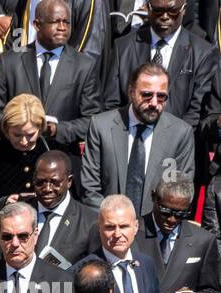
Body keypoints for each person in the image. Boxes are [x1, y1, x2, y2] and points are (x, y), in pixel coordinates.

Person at [0, 0, 100, 187]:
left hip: (59, 170)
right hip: (13, 167)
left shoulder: (84, 66)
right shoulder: (10, 61)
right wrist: (18, 126)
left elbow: (92, 120)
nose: (62, 27)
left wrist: (57, 129)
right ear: (37, 24)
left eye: (66, 22)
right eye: (56, 22)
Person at [81, 63, 193, 217]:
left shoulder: (181, 134)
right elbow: (90, 188)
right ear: (131, 92)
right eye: (147, 95)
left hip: (156, 230)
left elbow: (181, 191)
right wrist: (116, 221)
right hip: (111, 228)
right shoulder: (101, 126)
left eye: (161, 96)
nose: (154, 103)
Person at [102, 0, 216, 129]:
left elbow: (196, 113)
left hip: (178, 143)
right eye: (157, 10)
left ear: (184, 9)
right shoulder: (123, 47)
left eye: (172, 11)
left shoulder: (203, 53)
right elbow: (111, 106)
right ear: (147, 8)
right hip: (129, 138)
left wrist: (162, 142)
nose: (165, 17)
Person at [0, 94, 52, 228]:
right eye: (17, 135)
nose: (24, 142)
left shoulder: (51, 153)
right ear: (6, 129)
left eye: (30, 135)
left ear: (40, 128)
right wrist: (2, 202)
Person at [30, 150, 99, 268]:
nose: (47, 189)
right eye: (40, 182)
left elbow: (95, 272)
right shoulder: (15, 214)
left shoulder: (90, 222)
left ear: (69, 181)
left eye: (55, 182)